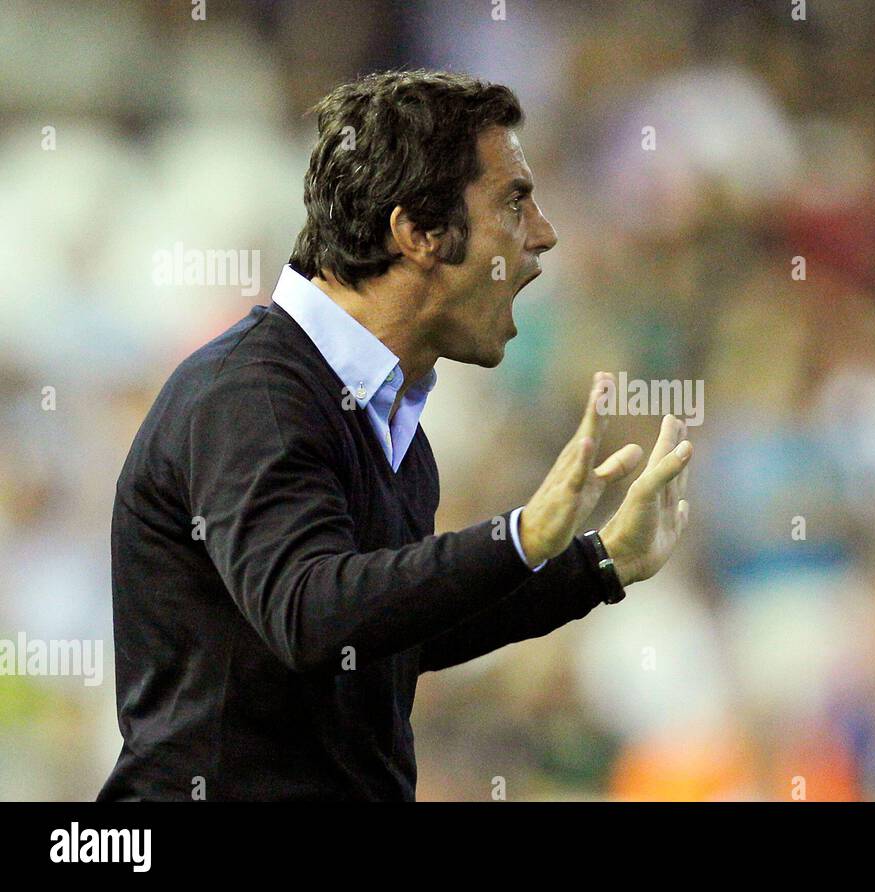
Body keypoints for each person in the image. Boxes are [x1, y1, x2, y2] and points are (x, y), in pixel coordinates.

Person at [98, 70, 692, 801]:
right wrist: (521, 535)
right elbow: (310, 614)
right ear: (416, 232)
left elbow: (384, 635)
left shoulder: (381, 419)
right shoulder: (250, 395)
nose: (543, 232)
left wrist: (595, 565)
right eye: (513, 201)